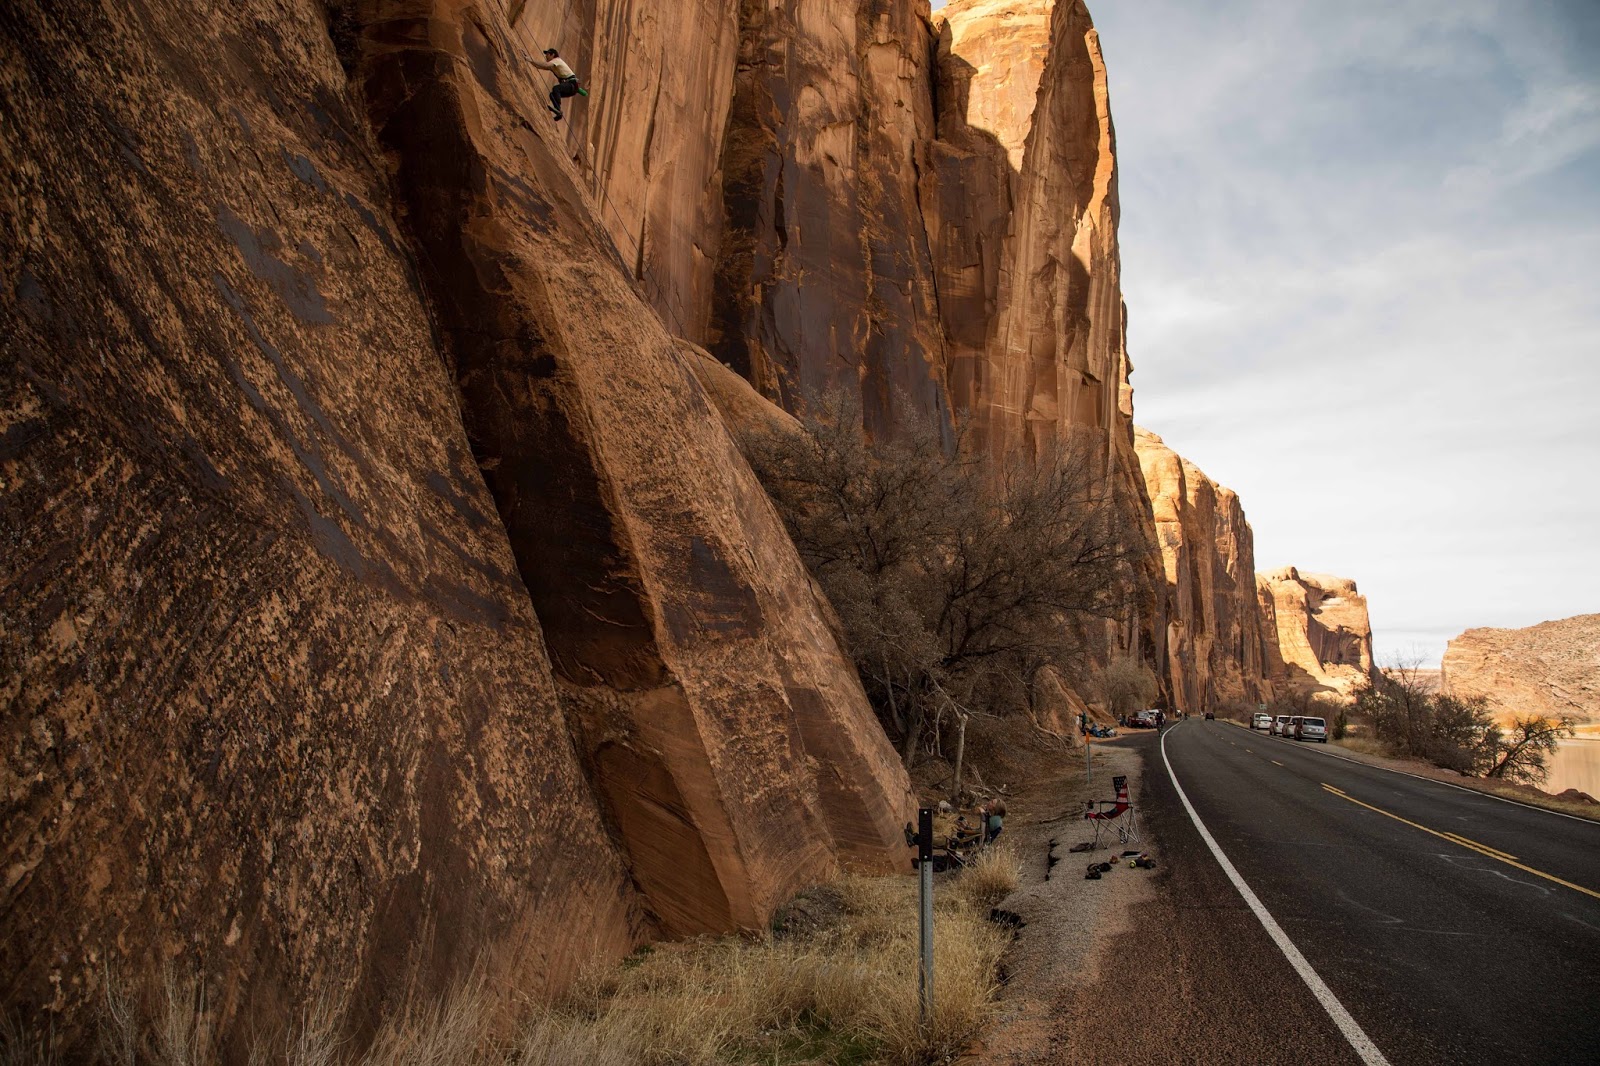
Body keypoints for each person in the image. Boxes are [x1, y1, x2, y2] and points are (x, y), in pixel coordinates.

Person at [530, 47, 582, 122]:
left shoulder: (557, 60)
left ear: (552, 55)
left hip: (572, 84)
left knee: (556, 89)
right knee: (552, 95)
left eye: (547, 54)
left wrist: (530, 60)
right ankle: (558, 113)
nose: (546, 56)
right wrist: (528, 59)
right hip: (572, 88)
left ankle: (558, 110)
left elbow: (545, 65)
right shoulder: (553, 65)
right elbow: (539, 66)